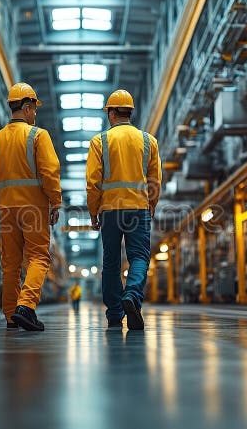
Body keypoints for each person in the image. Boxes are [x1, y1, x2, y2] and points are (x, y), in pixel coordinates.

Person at [0, 82, 61, 331]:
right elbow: (49, 172)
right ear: (27, 108)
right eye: (34, 109)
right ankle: (25, 307)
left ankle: (10, 315)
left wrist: (0, 201)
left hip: (7, 209)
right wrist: (55, 201)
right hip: (34, 207)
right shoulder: (38, 136)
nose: (35, 114)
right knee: (39, 257)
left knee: (11, 263)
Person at [85, 89, 161, 330]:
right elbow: (154, 180)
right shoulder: (149, 141)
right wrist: (151, 205)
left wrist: (93, 211)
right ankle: (132, 296)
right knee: (139, 257)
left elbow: (93, 182)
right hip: (138, 207)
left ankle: (115, 314)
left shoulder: (100, 141)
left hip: (109, 210)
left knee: (111, 262)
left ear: (110, 113)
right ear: (130, 112)